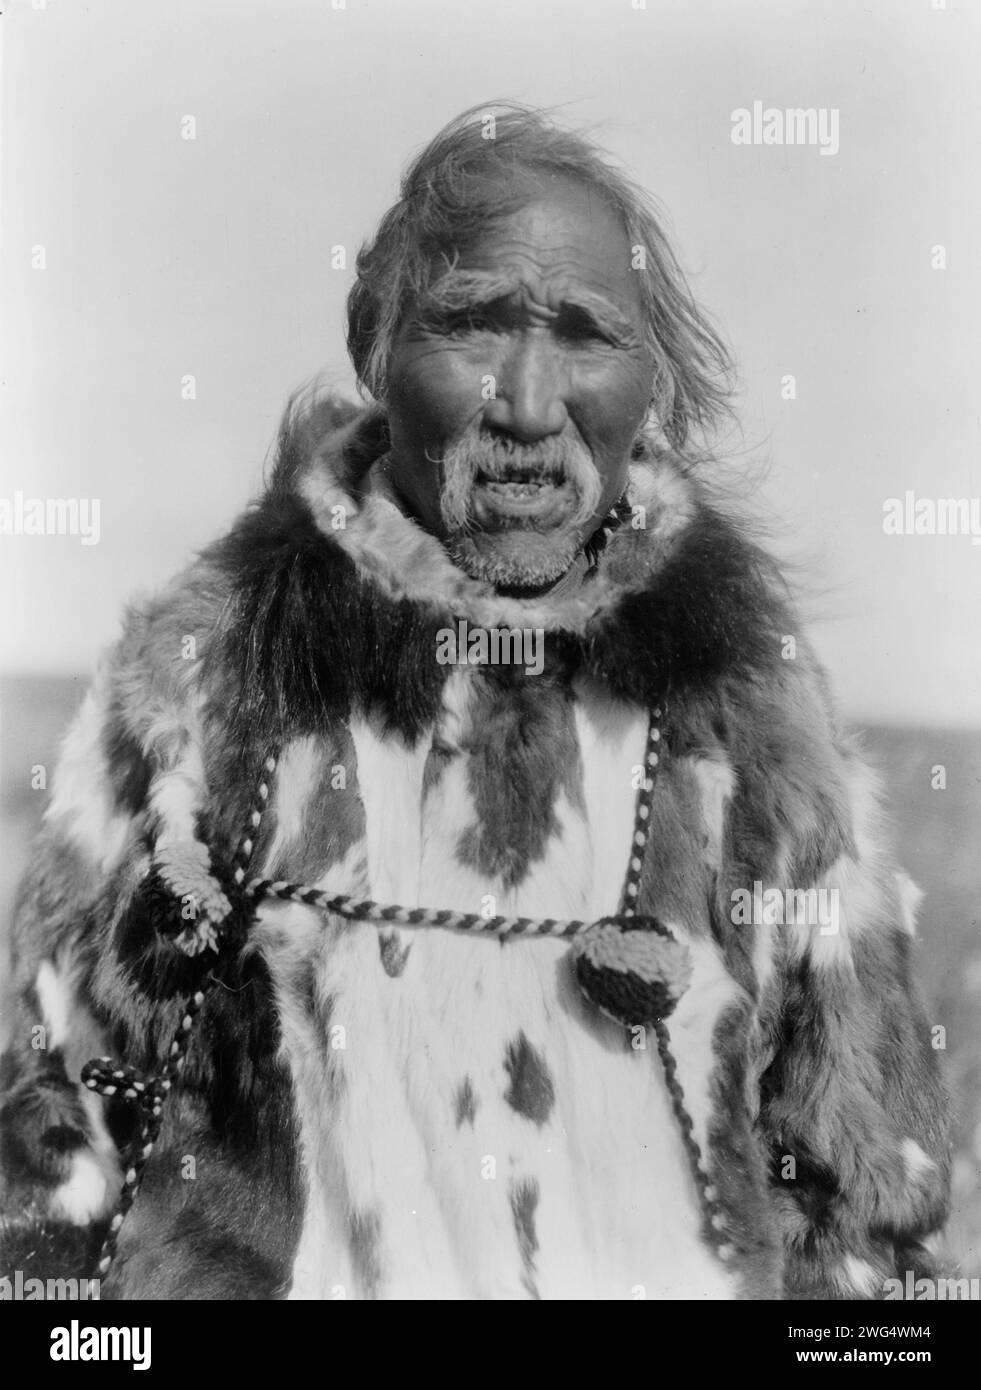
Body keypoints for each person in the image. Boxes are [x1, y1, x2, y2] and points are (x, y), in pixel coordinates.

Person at [0, 104, 949, 1300]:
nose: (529, 407)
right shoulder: (208, 683)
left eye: (588, 336)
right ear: (373, 349)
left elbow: (866, 1208)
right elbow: (50, 1161)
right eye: (470, 326)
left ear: (650, 383)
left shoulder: (748, 719)